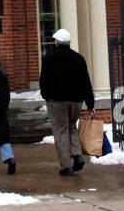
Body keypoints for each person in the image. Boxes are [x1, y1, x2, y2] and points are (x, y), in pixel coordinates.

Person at [39, 27, 94, 176]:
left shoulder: (49, 58)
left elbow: (44, 80)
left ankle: (66, 165)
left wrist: (46, 95)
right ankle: (77, 155)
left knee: (60, 130)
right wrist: (90, 103)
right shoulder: (79, 58)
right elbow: (86, 82)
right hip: (76, 100)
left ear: (57, 41)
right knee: (71, 127)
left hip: (56, 100)